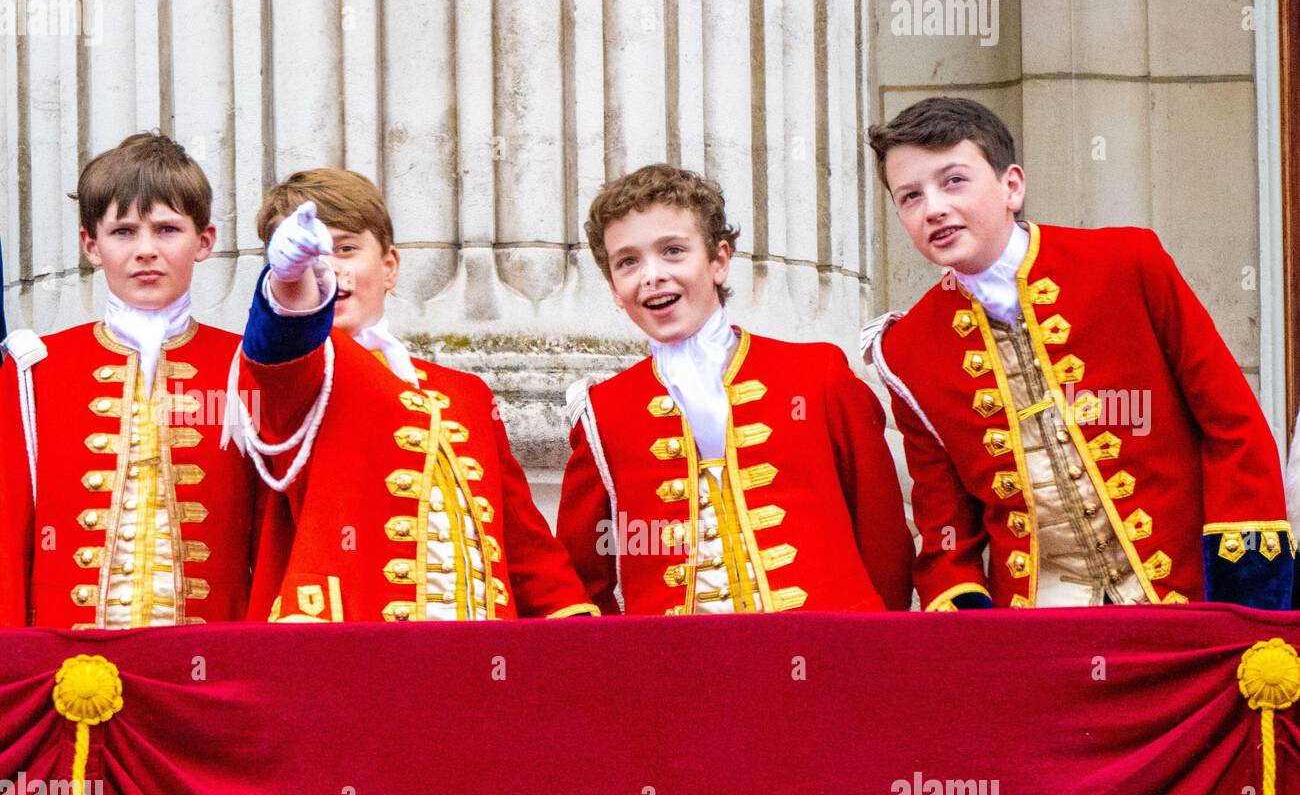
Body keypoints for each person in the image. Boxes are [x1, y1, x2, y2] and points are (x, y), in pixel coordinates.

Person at [864, 96, 1293, 610]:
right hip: (1042, 628)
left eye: (953, 180)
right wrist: (969, 617)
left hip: (1186, 598)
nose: (933, 208)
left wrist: (1247, 588)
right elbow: (945, 525)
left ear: (1011, 187)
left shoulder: (1128, 263)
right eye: (910, 196)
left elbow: (1231, 423)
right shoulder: (906, 351)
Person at [228, 168, 598, 622]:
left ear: (389, 266)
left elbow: (526, 547)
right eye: (308, 255)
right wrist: (289, 282)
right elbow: (281, 343)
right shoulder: (300, 371)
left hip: (476, 653)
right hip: (347, 648)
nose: (328, 268)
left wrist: (577, 628)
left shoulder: (466, 393)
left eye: (345, 249)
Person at [556, 163, 914, 616]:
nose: (651, 275)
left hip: (829, 650)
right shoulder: (602, 412)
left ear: (719, 261)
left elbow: (883, 535)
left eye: (672, 251)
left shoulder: (816, 375)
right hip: (678, 659)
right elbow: (582, 579)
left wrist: (875, 642)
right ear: (613, 288)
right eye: (628, 262)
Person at [0, 132, 281, 627]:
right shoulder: (35, 370)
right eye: (123, 231)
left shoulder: (246, 368)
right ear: (91, 245)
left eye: (167, 229)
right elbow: (8, 536)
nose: (146, 250)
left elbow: (270, 531)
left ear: (204, 241)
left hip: (213, 656)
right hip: (65, 657)